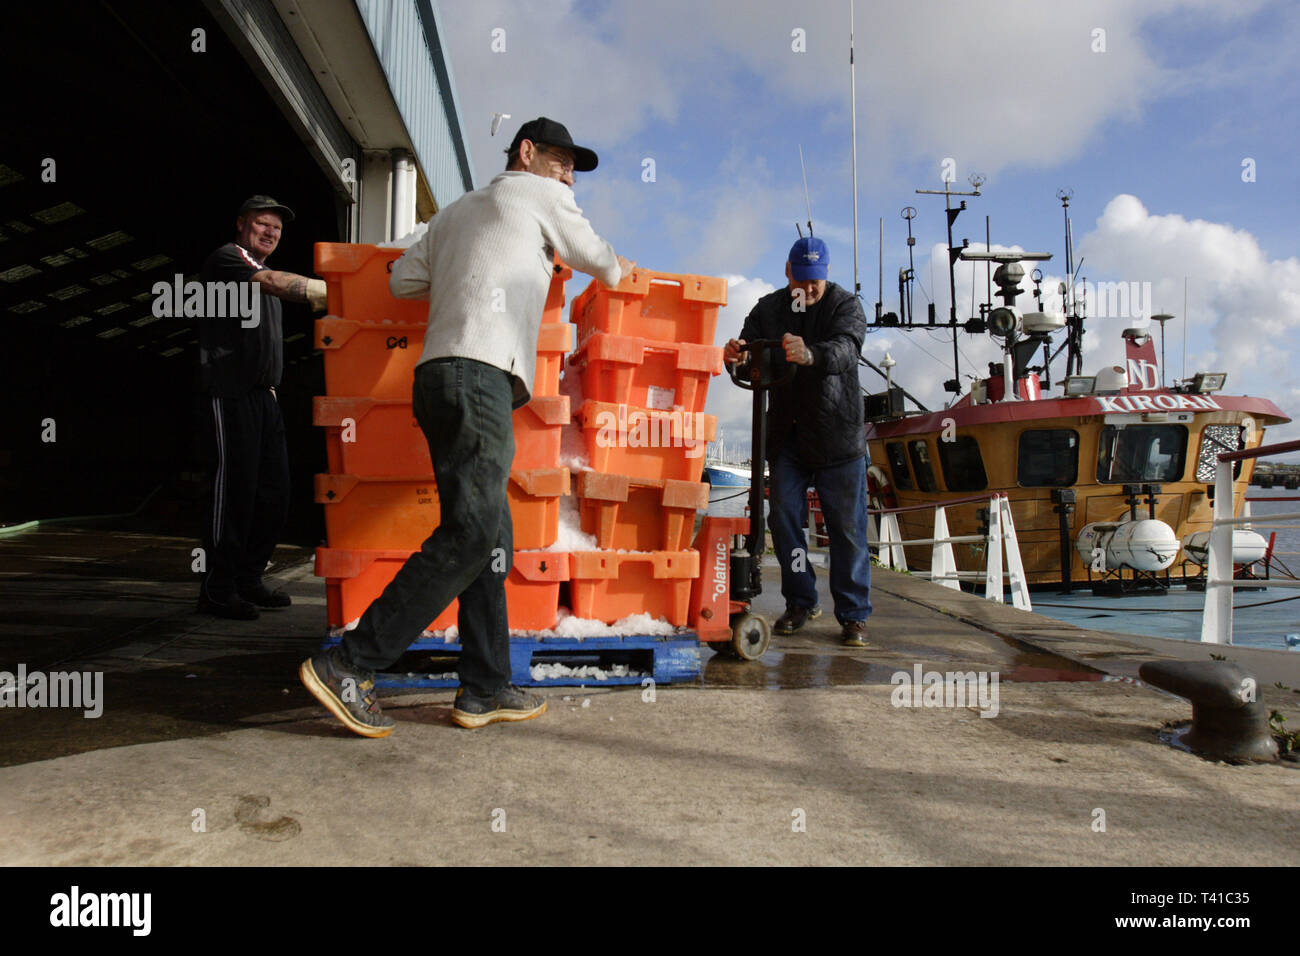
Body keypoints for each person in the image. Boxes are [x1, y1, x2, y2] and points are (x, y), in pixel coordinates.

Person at [299, 117, 634, 737]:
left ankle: (484, 687)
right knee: (473, 533)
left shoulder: (451, 215)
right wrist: (574, 257)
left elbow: (404, 280)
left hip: (438, 380)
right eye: (562, 162)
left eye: (573, 170)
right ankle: (350, 663)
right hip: (480, 377)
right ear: (526, 154)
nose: (569, 177)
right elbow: (604, 264)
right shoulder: (539, 195)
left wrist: (473, 268)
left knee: (491, 539)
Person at [723, 236, 873, 647]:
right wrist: (736, 353)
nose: (806, 291)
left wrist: (811, 355)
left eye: (815, 285)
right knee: (784, 519)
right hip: (788, 436)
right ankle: (800, 600)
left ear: (826, 278)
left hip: (838, 437)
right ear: (788, 272)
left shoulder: (846, 305)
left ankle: (854, 614)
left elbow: (847, 348)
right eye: (800, 282)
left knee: (847, 529)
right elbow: (748, 348)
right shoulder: (768, 309)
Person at [197, 195, 328, 620]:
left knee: (274, 492)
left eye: (276, 227)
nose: (270, 232)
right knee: (234, 490)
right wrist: (322, 290)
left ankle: (248, 579)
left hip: (264, 396)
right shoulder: (230, 261)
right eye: (261, 224)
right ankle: (217, 589)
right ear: (241, 225)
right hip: (230, 391)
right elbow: (271, 283)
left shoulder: (262, 271)